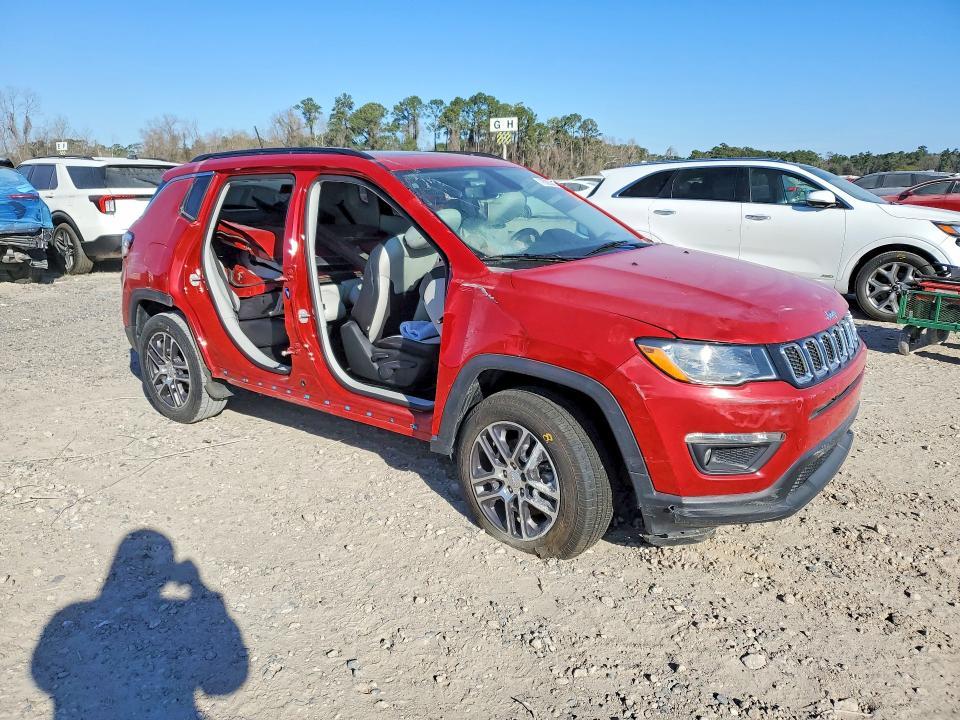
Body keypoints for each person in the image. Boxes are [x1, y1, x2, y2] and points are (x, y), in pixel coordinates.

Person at [31, 529, 248, 719]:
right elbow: (225, 683)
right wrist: (200, 589)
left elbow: (42, 676)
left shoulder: (71, 614)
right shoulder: (74, 613)